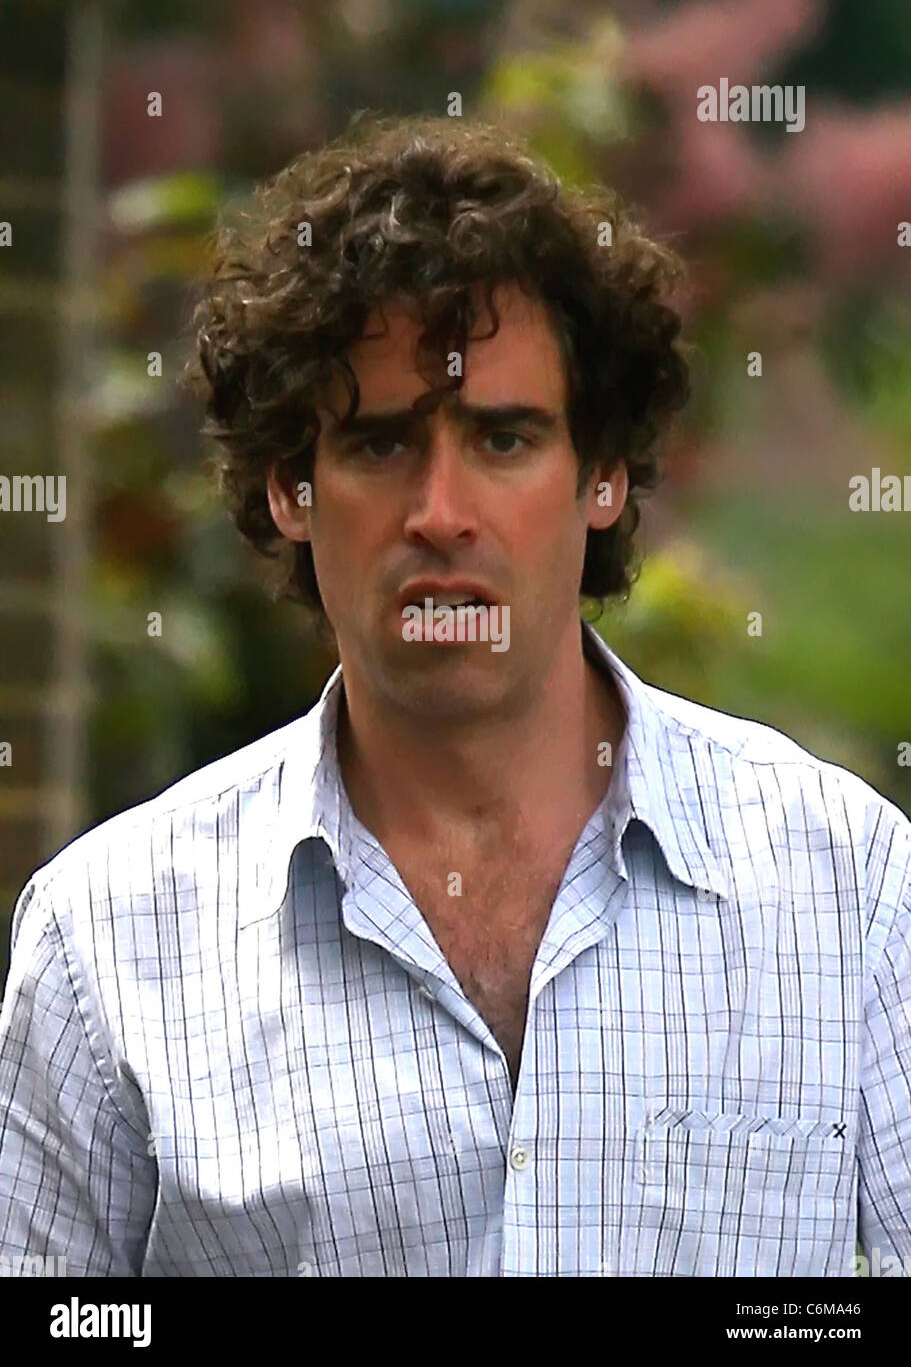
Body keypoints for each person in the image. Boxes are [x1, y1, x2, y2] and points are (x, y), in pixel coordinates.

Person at [1, 111, 908, 1278]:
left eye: (503, 437)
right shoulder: (109, 944)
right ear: (289, 488)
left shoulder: (845, 885)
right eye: (379, 445)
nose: (441, 511)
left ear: (602, 476)